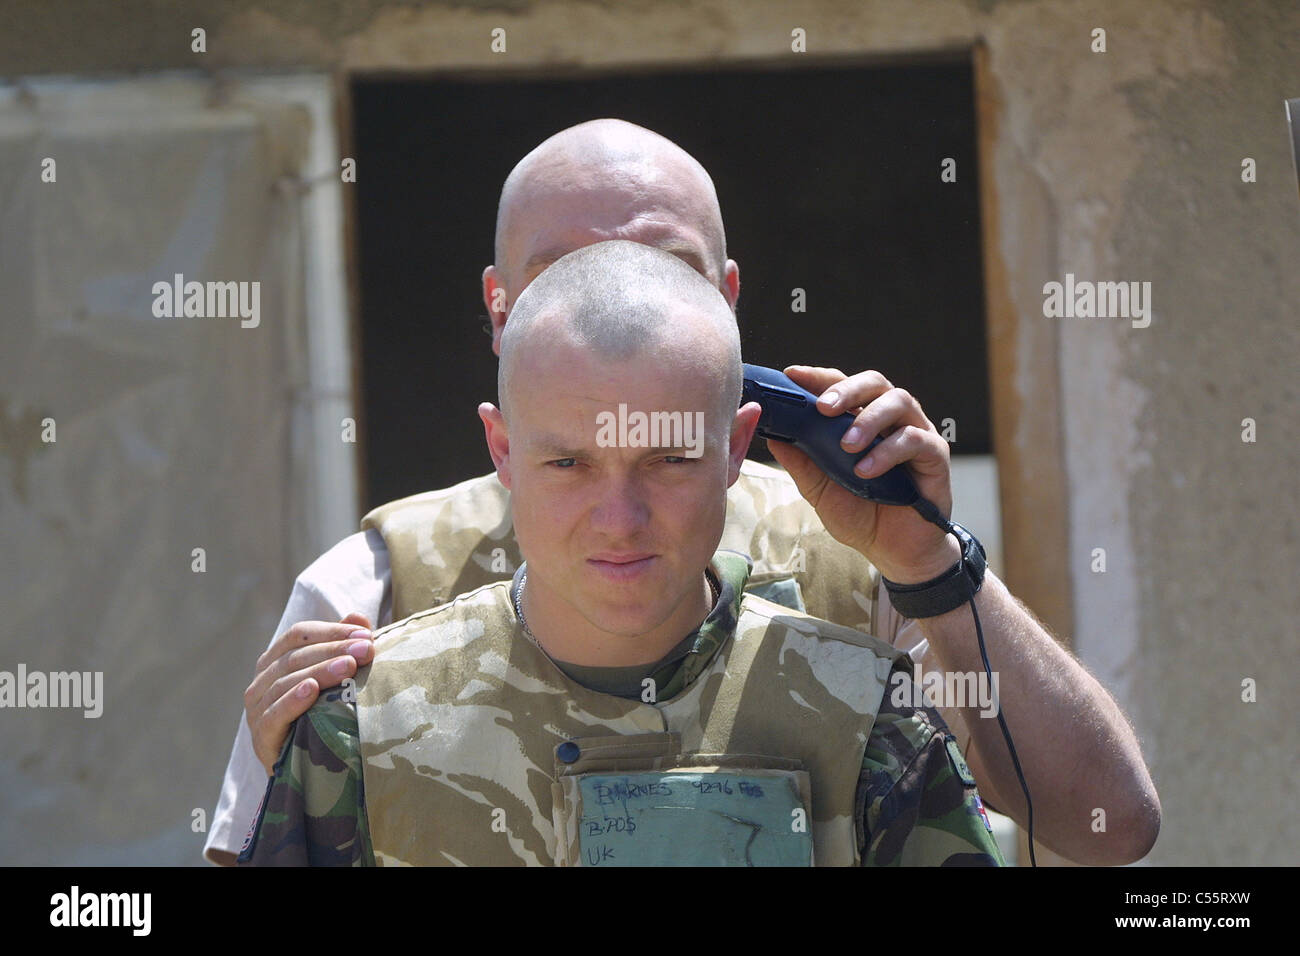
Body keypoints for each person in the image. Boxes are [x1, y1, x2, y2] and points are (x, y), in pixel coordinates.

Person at [209, 119, 1159, 866]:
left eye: (665, 267)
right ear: (501, 310)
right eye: (561, 273)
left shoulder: (852, 568)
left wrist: (932, 569)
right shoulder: (375, 584)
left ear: (727, 302)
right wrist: (280, 769)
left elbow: (1110, 828)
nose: (616, 297)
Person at [238, 240, 1006, 867]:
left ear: (736, 447)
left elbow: (1117, 825)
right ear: (502, 452)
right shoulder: (361, 727)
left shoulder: (867, 715)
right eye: (569, 464)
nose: (620, 520)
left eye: (668, 461)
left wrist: (934, 567)